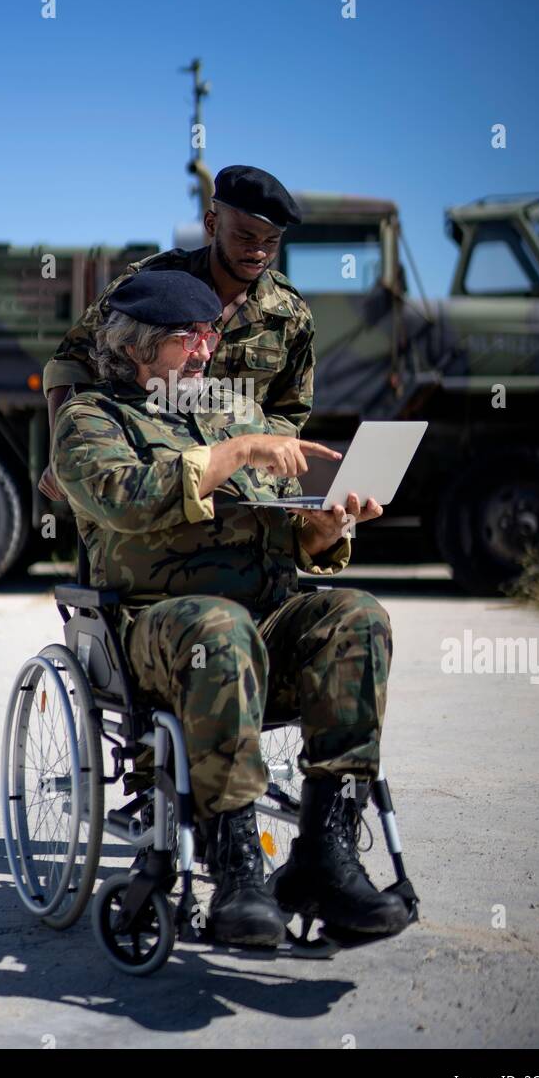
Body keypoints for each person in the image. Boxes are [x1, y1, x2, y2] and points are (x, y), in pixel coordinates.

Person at [52, 268, 409, 949]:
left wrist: (325, 529)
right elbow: (125, 498)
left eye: (210, 335)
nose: (208, 350)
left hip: (263, 619)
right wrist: (238, 451)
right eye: (191, 338)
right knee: (220, 629)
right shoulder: (90, 419)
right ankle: (238, 865)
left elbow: (283, 526)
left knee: (357, 616)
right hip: (160, 630)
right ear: (137, 346)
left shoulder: (234, 411)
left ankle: (326, 854)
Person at [39, 165, 314, 501]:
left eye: (270, 241)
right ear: (212, 225)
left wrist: (263, 457)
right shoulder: (152, 284)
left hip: (238, 489)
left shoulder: (289, 314)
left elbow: (290, 407)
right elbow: (71, 360)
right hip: (145, 476)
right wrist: (61, 452)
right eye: (245, 237)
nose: (258, 252)